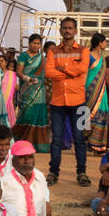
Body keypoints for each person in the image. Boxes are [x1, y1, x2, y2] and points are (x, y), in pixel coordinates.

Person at [44, 17, 92, 186]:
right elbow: (48, 72)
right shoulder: (53, 51)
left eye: (70, 28)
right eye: (64, 28)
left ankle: (82, 172)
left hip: (79, 101)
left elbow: (82, 68)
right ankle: (53, 172)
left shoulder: (84, 50)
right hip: (57, 102)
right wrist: (71, 72)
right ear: (60, 30)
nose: (67, 30)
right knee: (56, 139)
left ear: (75, 31)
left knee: (80, 139)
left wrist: (62, 69)